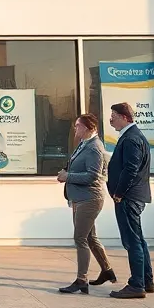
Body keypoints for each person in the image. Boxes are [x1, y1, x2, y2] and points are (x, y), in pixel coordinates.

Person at [56, 114, 114, 294]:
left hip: (89, 199)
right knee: (90, 237)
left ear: (89, 128)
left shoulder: (94, 147)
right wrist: (66, 171)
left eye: (78, 126)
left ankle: (82, 280)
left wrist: (69, 177)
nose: (75, 129)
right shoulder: (84, 144)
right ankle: (107, 271)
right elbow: (76, 165)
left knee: (80, 239)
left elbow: (93, 175)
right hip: (80, 198)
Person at [106, 102, 154, 300]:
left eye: (114, 116)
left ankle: (136, 284)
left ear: (125, 117)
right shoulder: (133, 136)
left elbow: (130, 169)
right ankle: (146, 280)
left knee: (132, 241)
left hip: (128, 197)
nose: (111, 120)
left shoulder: (131, 139)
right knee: (138, 240)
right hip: (133, 196)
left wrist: (119, 192)